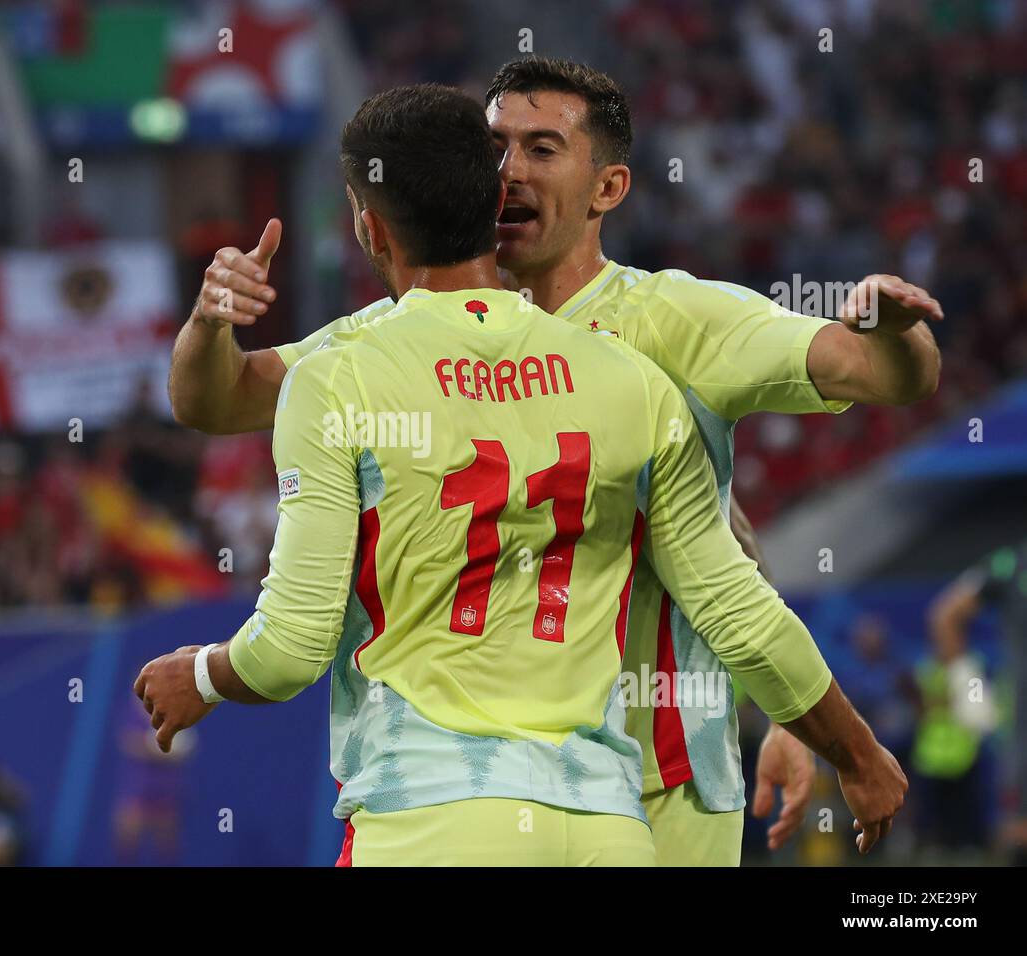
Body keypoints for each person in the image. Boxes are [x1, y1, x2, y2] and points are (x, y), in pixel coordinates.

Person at [165, 56, 942, 865]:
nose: (510, 172)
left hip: (658, 778)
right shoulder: (393, 336)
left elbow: (886, 376)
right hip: (551, 794)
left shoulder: (677, 321)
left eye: (541, 149)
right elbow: (213, 402)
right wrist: (210, 318)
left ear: (607, 189)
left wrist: (890, 326)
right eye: (494, 147)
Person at [930, 538, 1027, 863]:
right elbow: (946, 614)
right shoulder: (1011, 563)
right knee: (1018, 834)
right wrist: (966, 680)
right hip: (1022, 725)